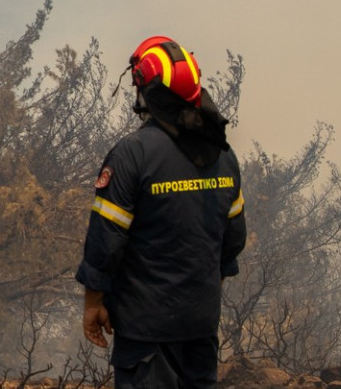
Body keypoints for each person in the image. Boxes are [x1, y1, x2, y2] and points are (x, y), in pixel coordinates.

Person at [76, 36, 247, 389]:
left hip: (146, 334)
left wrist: (93, 302)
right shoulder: (224, 156)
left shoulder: (132, 155)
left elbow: (106, 240)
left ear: (146, 91)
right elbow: (232, 242)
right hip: (201, 331)